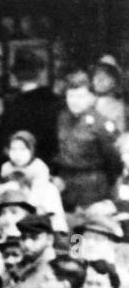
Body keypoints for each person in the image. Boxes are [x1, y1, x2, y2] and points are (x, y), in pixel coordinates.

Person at [54, 70, 123, 214]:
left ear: (91, 97)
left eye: (80, 96)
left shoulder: (100, 124)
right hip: (66, 183)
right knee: (71, 231)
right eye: (71, 95)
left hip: (92, 185)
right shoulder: (62, 118)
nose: (74, 101)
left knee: (88, 228)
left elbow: (114, 161)